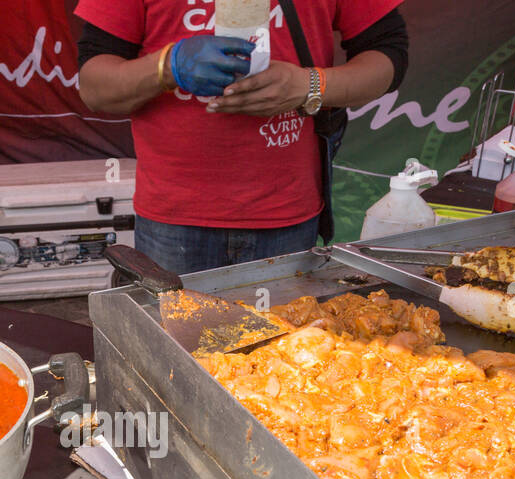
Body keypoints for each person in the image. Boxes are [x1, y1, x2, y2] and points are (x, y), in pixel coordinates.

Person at [74, 0, 408, 274]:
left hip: (289, 213)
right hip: (172, 218)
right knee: (172, 349)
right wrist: (167, 66)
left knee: (285, 350)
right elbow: (94, 88)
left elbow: (388, 57)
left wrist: (309, 85)